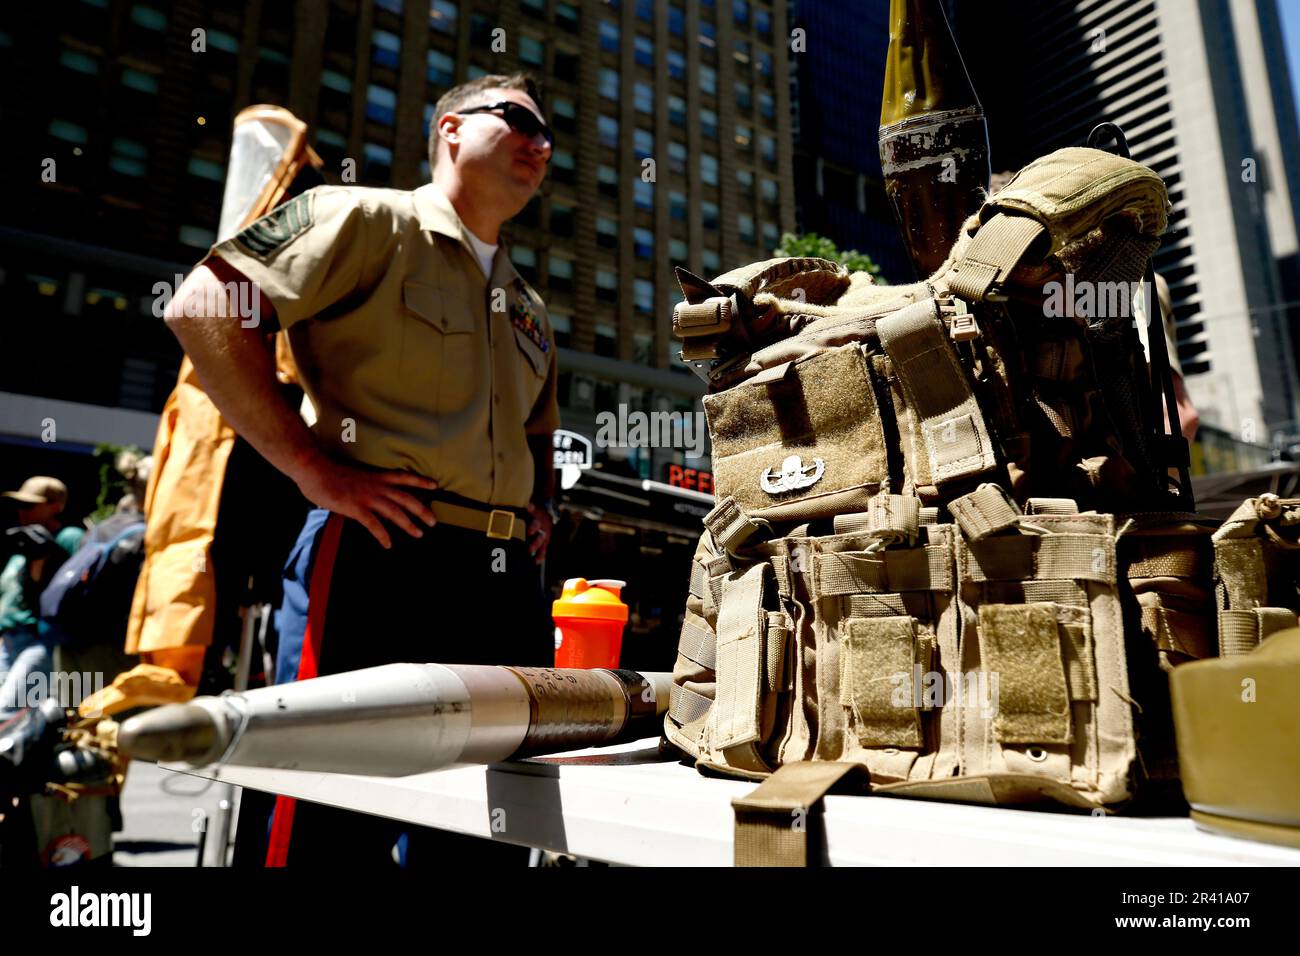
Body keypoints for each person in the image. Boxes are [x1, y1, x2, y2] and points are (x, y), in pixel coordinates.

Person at [162, 73, 559, 867]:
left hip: (503, 581)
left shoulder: (527, 305)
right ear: (450, 130)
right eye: (517, 120)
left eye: (548, 137)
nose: (539, 144)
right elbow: (203, 306)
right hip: (379, 553)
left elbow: (536, 430)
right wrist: (315, 472)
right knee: (324, 817)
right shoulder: (365, 218)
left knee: (486, 827)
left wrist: (541, 506)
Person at [0, 477, 80, 720]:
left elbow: (74, 591)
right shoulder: (25, 544)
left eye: (30, 505)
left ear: (55, 505)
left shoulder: (69, 538)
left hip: (40, 639)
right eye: (20, 506)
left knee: (6, 712)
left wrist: (46, 560)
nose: (22, 512)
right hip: (8, 640)